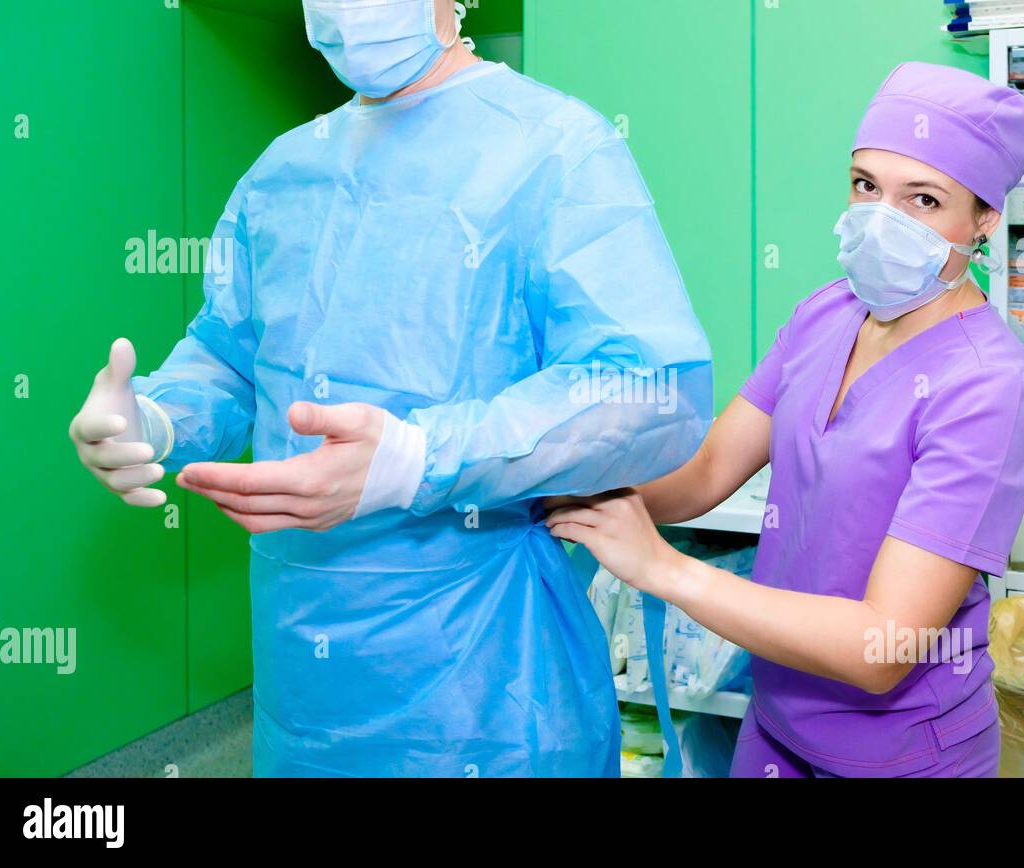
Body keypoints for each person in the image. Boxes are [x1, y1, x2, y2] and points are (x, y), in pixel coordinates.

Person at [68, 0, 712, 776]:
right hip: (302, 678)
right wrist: (157, 417)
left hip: (490, 683)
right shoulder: (282, 173)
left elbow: (650, 389)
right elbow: (232, 358)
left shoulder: (555, 150)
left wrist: (417, 457)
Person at [547, 61, 1024, 778]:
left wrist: (662, 568)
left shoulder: (989, 388)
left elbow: (884, 647)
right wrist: (566, 486)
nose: (880, 220)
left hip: (901, 754)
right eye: (866, 186)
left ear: (985, 219)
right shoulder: (826, 312)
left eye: (924, 200)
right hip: (777, 726)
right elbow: (710, 469)